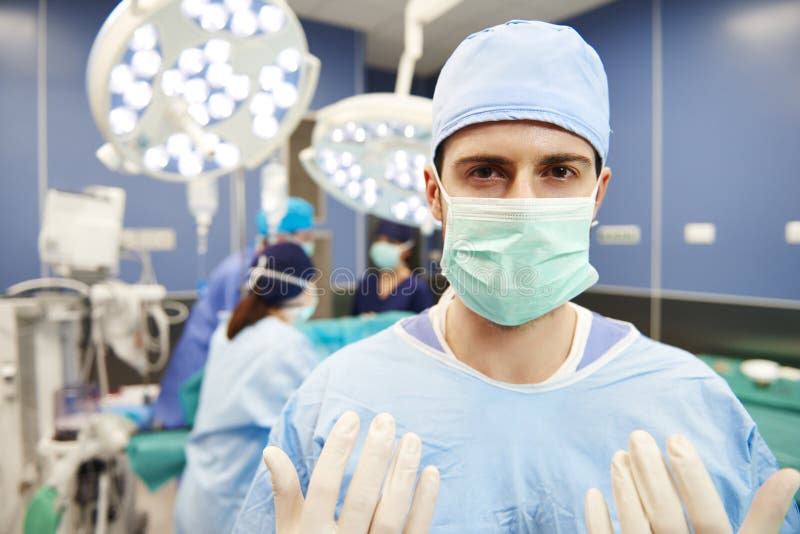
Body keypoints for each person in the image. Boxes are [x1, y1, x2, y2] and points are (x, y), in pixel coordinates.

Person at [233, 20, 800, 532]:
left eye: (558, 171)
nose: (524, 204)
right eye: (485, 171)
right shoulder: (338, 401)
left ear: (597, 193)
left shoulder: (690, 404)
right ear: (436, 194)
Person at [174, 243, 319, 534]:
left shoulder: (227, 333)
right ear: (299, 286)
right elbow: (318, 416)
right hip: (234, 505)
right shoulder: (285, 345)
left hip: (197, 496)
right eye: (313, 282)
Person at [153, 198, 315, 428]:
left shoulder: (254, 266)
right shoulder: (240, 272)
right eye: (306, 237)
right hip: (199, 376)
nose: (309, 243)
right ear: (281, 235)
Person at [352, 219, 434, 315]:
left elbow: (425, 326)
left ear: (408, 250)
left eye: (390, 241)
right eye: (378, 240)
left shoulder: (418, 289)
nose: (382, 246)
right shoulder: (366, 285)